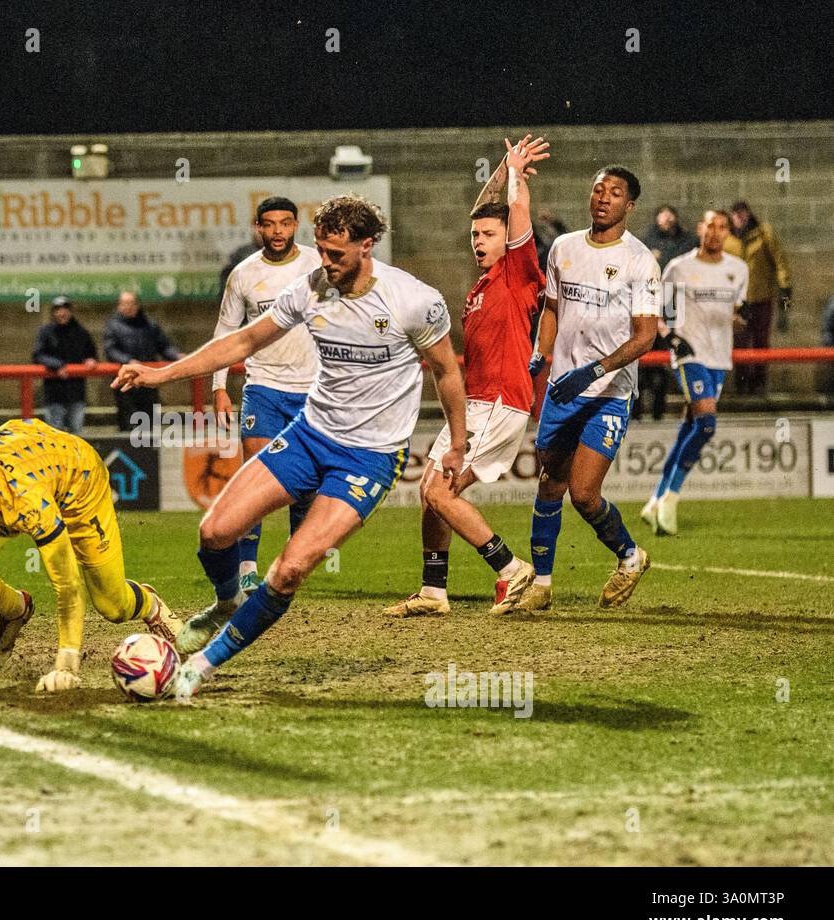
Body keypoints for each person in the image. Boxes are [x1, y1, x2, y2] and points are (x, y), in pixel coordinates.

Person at [113, 194, 468, 701]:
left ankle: (201, 666)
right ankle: (226, 601)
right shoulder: (311, 289)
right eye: (321, 250)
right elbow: (241, 343)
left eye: (336, 253)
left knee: (291, 568)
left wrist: (457, 443)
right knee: (215, 531)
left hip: (368, 457)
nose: (325, 262)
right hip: (309, 434)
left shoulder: (413, 300)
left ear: (367, 246)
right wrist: (160, 373)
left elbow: (446, 370)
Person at [385, 135, 548, 619]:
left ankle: (512, 568)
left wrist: (515, 173)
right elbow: (489, 208)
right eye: (474, 236)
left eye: (488, 235)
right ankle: (434, 592)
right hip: (476, 403)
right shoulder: (482, 284)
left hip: (500, 403)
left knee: (440, 490)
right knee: (428, 491)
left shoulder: (519, 272)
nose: (478, 241)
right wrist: (501, 170)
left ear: (507, 242)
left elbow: (515, 214)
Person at [0, 419, 182, 693]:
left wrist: (66, 663)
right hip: (27, 456)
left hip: (78, 482)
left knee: (112, 605)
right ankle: (16, 610)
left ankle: (150, 605)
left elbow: (68, 584)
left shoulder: (27, 500)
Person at [520, 165, 661, 612]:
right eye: (597, 188)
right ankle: (540, 586)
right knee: (549, 483)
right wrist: (541, 353)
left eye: (614, 193)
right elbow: (552, 309)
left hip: (609, 394)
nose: (602, 197)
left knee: (582, 493)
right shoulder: (563, 247)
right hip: (563, 388)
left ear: (629, 205)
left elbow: (645, 336)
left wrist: (596, 370)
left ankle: (630, 555)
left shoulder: (641, 260)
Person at [210, 196, 319, 593]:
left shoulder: (316, 265)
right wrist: (219, 387)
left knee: (305, 483)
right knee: (257, 477)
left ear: (296, 225)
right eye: (269, 224)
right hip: (263, 387)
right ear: (258, 227)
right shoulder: (242, 274)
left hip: (311, 389)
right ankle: (246, 568)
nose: (277, 232)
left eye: (285, 224)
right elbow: (226, 334)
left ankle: (293, 563)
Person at [641, 210, 747, 535]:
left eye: (722, 228)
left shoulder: (737, 270)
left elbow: (734, 310)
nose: (715, 232)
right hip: (690, 356)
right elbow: (662, 315)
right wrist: (674, 340)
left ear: (728, 233)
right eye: (710, 225)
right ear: (700, 228)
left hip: (719, 359)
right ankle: (671, 499)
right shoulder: (680, 268)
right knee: (707, 424)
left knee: (691, 426)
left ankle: (656, 499)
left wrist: (737, 322)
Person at [636, 205, 698, 421]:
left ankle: (658, 412)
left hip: (676, 302)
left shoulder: (688, 242)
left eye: (671, 214)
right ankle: (635, 413)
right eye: (663, 214)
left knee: (666, 361)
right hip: (649, 302)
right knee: (642, 363)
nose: (668, 219)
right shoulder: (646, 242)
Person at [724, 200, 791, 396]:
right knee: (740, 342)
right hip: (737, 301)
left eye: (742, 213)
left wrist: (785, 288)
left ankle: (759, 384)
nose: (739, 218)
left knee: (761, 342)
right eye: (735, 214)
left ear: (749, 214)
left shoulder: (763, 234)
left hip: (761, 297)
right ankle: (742, 385)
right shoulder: (727, 239)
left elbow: (779, 262)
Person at [102, 290, 180, 431]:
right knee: (128, 421)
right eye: (125, 304)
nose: (128, 307)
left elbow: (164, 346)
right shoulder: (113, 326)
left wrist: (176, 356)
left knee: (150, 419)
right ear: (119, 306)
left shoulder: (150, 325)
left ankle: (151, 450)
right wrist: (128, 361)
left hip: (148, 380)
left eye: (131, 303)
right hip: (126, 381)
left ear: (137, 305)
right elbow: (110, 350)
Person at [31, 295, 97, 434]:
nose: (62, 313)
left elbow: (91, 353)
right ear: (53, 312)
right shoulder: (46, 332)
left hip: (76, 392)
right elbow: (38, 355)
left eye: (65, 309)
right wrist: (57, 365)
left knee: (76, 434)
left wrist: (90, 360)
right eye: (58, 309)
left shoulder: (81, 332)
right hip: (54, 392)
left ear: (70, 311)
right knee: (55, 435)